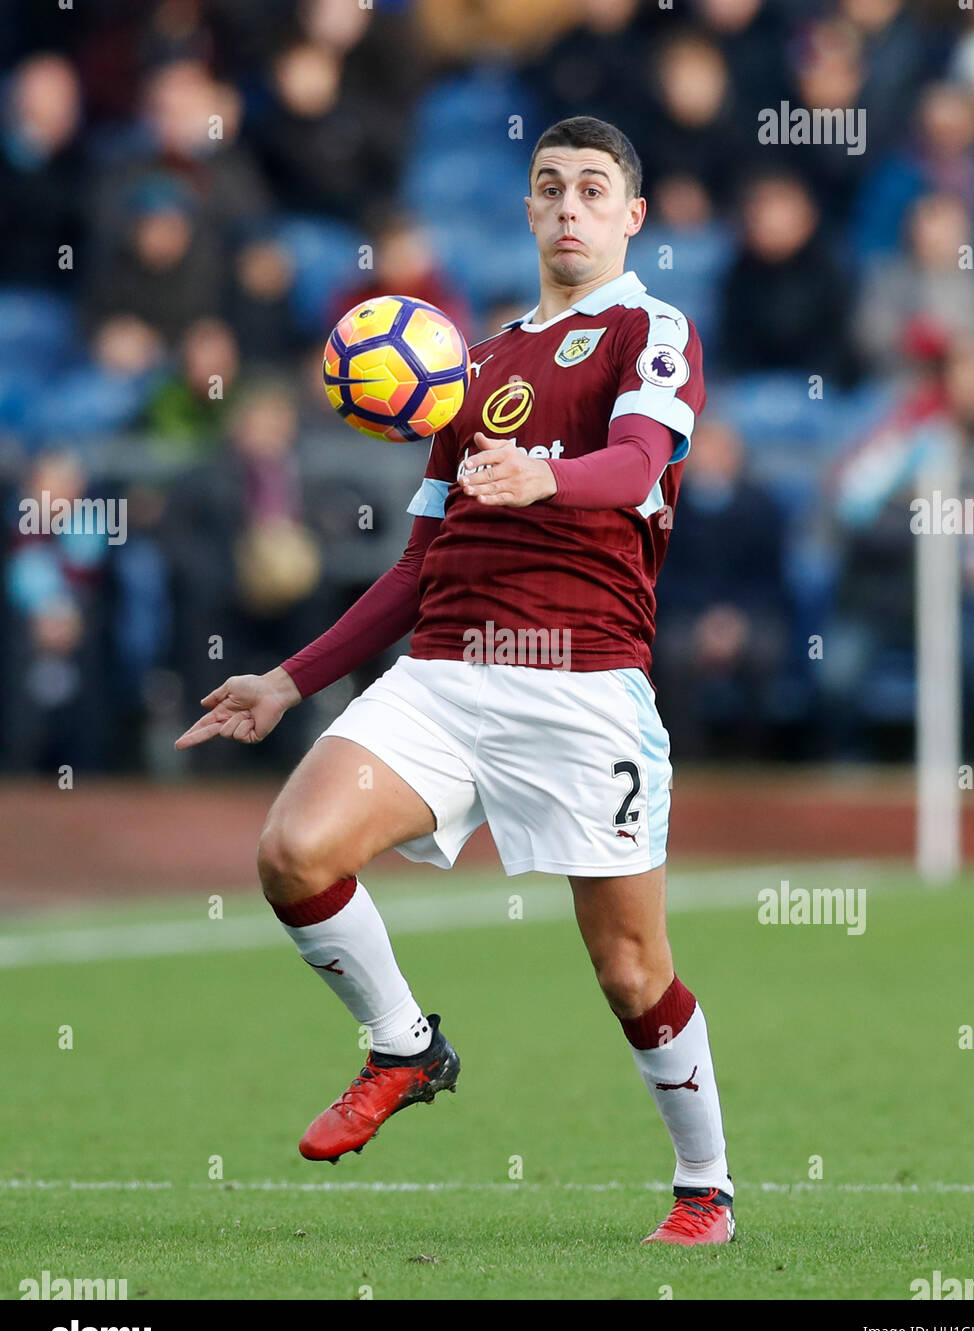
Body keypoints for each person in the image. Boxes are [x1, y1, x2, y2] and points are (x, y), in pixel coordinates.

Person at [175, 115, 735, 1247]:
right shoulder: (469, 366)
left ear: (630, 216)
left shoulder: (650, 328)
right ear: (526, 212)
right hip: (444, 674)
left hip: (583, 684)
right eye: (547, 187)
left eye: (591, 189)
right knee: (292, 850)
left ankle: (704, 1183)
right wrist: (290, 679)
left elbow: (637, 463)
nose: (567, 206)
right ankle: (401, 1044)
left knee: (630, 970)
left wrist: (545, 474)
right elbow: (417, 563)